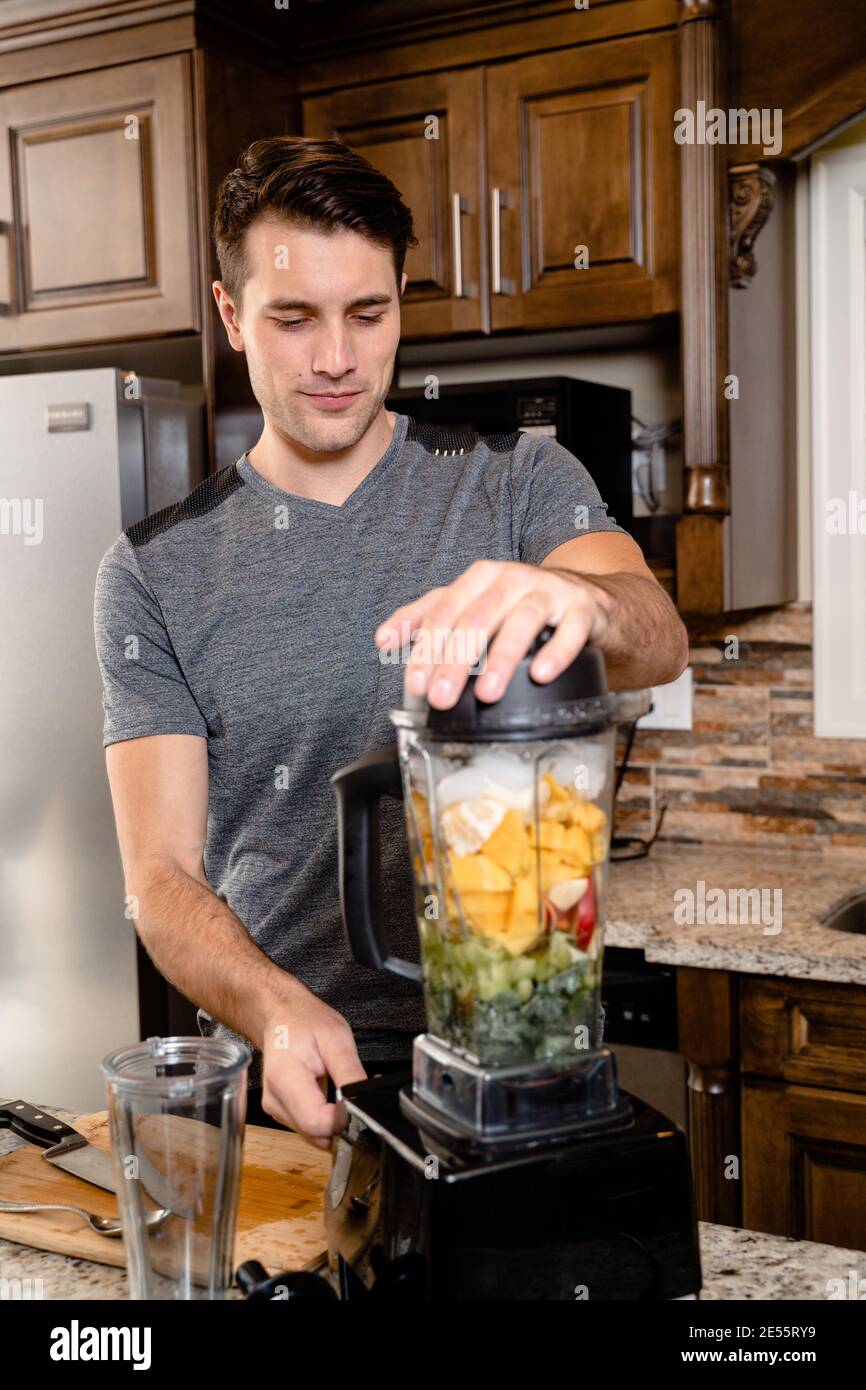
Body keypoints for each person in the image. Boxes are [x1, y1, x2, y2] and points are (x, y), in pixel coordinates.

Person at [93, 136, 688, 1147]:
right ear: (234, 316)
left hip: (526, 1060)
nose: (335, 357)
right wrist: (274, 1009)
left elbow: (657, 638)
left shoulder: (516, 482)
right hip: (291, 1082)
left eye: (367, 314)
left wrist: (572, 596)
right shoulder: (154, 570)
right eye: (294, 318)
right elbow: (160, 878)